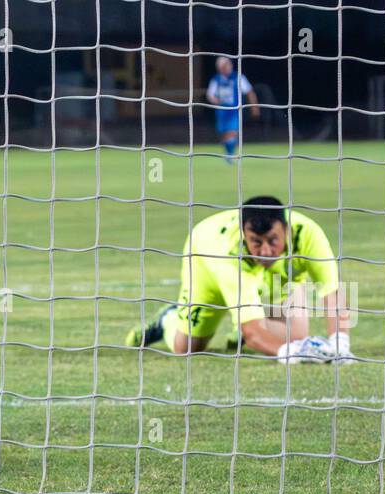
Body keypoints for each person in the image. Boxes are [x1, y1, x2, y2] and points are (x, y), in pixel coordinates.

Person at [125, 196, 355, 363]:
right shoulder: (226, 255)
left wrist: (340, 345)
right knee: (185, 349)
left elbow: (332, 292)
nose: (265, 251)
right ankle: (168, 318)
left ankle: (243, 323)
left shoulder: (308, 234)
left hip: (279, 271)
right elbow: (253, 334)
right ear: (244, 236)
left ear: (285, 229)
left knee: (297, 335)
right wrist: (292, 355)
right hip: (205, 259)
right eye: (256, 241)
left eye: (273, 240)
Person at [206, 56, 259, 163]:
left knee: (232, 132)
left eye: (226, 65)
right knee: (224, 134)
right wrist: (215, 100)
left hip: (235, 110)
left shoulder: (238, 77)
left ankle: (230, 155)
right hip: (221, 111)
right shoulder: (216, 79)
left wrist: (254, 107)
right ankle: (228, 152)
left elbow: (249, 91)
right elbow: (210, 94)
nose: (225, 68)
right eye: (222, 66)